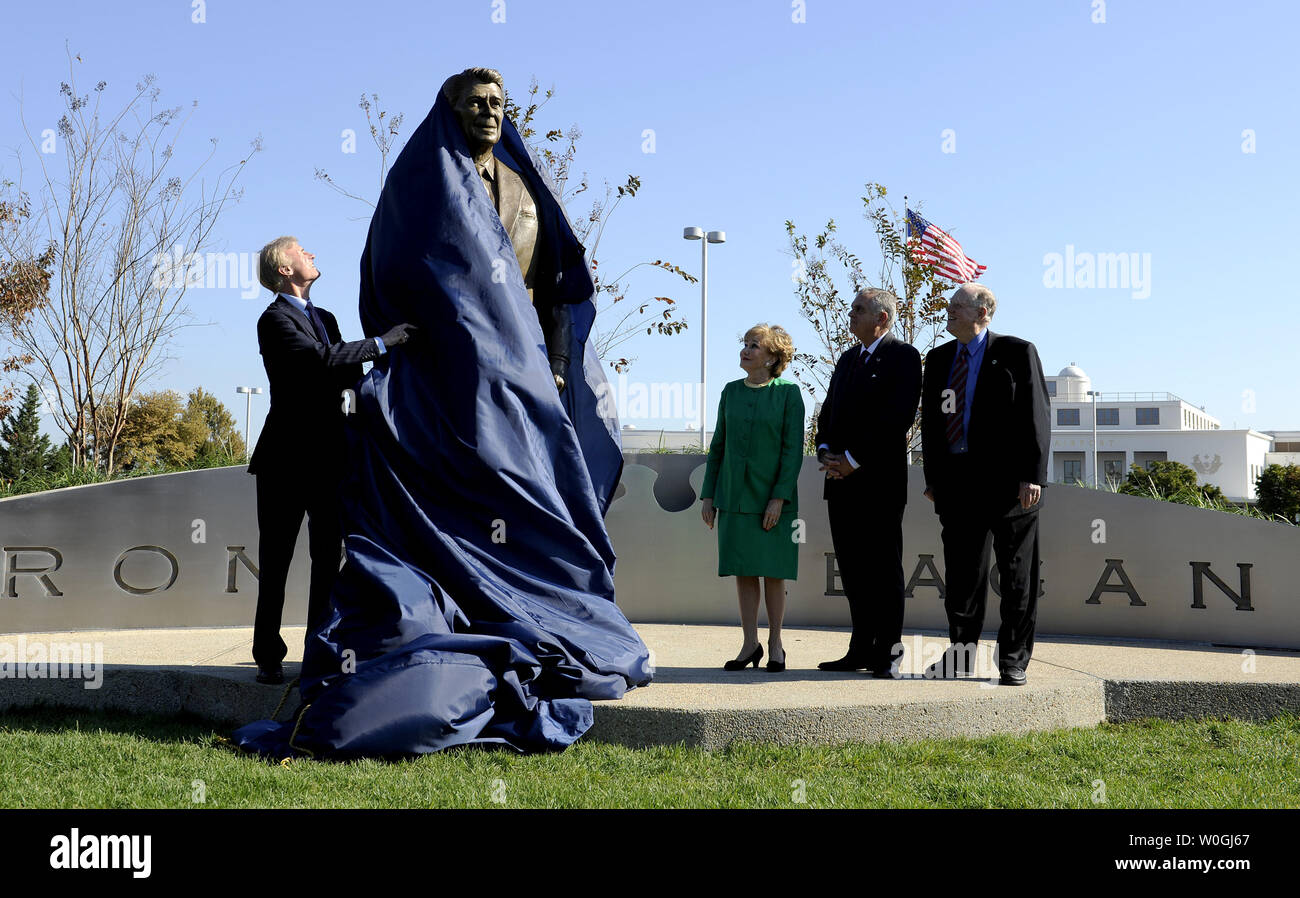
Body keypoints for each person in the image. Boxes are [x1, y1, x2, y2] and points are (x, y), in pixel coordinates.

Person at [233, 70, 651, 759]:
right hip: (378, 417)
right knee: (292, 558)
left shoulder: (524, 195)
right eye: (474, 105)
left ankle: (530, 606)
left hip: (509, 387)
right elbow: (381, 304)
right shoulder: (415, 197)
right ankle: (279, 650)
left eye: (497, 105)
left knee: (350, 549)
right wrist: (396, 353)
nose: (487, 114)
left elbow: (547, 286)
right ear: (451, 112)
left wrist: (548, 361)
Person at [246, 236, 413, 685]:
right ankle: (268, 655)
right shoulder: (273, 321)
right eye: (302, 251)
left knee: (327, 561)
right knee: (276, 561)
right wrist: (383, 341)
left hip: (328, 459)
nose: (312, 254)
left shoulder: (328, 318)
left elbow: (346, 375)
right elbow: (319, 360)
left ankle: (317, 653)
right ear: (284, 269)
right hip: (284, 462)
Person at [920, 283, 1050, 686]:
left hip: (1011, 487)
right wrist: (933, 478)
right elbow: (931, 424)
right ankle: (960, 657)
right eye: (950, 305)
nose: (949, 310)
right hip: (957, 486)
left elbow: (1037, 415)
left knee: (1016, 577)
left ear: (983, 312)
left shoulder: (1016, 352)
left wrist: (1033, 475)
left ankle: (1013, 660)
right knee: (962, 578)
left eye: (958, 305)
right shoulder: (939, 359)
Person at [814, 288, 922, 678]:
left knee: (882, 569)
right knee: (853, 569)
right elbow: (827, 415)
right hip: (840, 484)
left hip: (879, 484)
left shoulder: (903, 357)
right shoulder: (846, 360)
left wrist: (854, 461)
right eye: (852, 308)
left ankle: (887, 653)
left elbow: (897, 419)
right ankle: (859, 648)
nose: (851, 314)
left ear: (882, 318)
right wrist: (826, 451)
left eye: (859, 309)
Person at [700, 324, 805, 673]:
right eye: (744, 344)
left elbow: (793, 453)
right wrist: (709, 495)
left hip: (774, 500)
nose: (745, 350)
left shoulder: (789, 394)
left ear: (773, 356)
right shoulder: (730, 391)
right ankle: (750, 643)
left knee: (774, 573)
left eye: (754, 346)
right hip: (732, 498)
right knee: (743, 572)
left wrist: (778, 498)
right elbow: (718, 447)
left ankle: (776, 644)